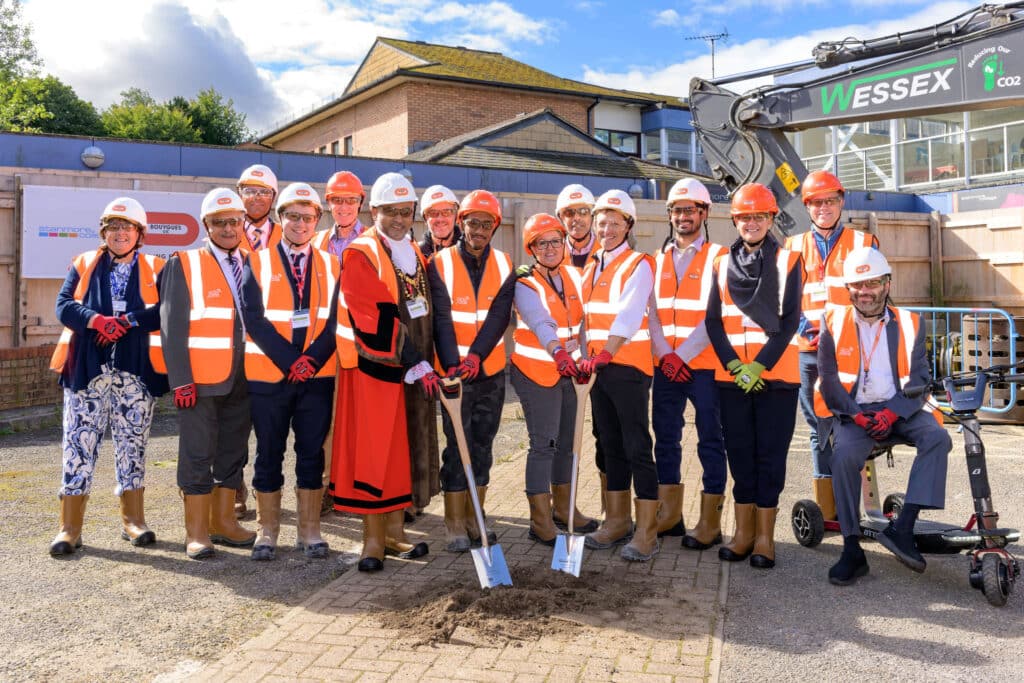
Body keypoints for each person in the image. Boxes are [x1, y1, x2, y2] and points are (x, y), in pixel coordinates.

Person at [329, 172, 449, 572]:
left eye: (405, 211)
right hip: (375, 370)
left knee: (405, 451)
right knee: (375, 455)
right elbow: (371, 315)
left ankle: (396, 533)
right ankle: (372, 541)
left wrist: (424, 362)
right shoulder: (360, 252)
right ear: (373, 211)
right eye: (390, 211)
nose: (399, 218)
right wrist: (414, 360)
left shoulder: (413, 250)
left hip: (412, 370)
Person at [818, 247, 951, 585]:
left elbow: (919, 380)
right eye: (858, 285)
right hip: (854, 412)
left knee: (937, 437)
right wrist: (858, 418)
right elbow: (829, 381)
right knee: (844, 456)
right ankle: (851, 548)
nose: (865, 292)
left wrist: (892, 413)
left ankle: (902, 527)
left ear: (887, 284)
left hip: (899, 408)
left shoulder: (911, 324)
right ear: (848, 289)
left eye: (873, 283)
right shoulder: (831, 321)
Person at [48, 197, 168, 556]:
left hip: (135, 374)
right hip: (87, 372)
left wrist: (127, 321)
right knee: (78, 445)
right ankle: (69, 528)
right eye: (113, 226)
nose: (120, 233)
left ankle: (133, 521)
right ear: (104, 231)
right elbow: (63, 305)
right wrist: (97, 321)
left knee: (133, 445)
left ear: (139, 233)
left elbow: (165, 310)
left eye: (127, 227)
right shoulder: (84, 263)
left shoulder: (156, 267)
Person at [705, 183, 802, 570]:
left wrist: (758, 367)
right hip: (732, 379)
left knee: (770, 457)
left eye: (759, 216)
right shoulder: (720, 264)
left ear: (771, 219)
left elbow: (790, 320)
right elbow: (713, 322)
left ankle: (765, 538)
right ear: (735, 219)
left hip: (775, 378)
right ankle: (743, 534)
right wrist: (735, 367)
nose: (752, 223)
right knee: (740, 455)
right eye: (745, 216)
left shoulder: (789, 261)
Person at [241, 183, 339, 561]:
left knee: (311, 452)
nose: (300, 223)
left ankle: (309, 529)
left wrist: (310, 361)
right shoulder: (257, 261)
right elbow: (254, 318)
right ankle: (268, 531)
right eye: (293, 216)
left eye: (308, 217)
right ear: (280, 219)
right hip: (269, 376)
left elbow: (336, 322)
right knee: (268, 451)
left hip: (317, 377)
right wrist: (289, 360)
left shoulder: (332, 264)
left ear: (317, 221)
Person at [161, 188, 257, 559]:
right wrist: (181, 379)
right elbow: (171, 327)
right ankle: (197, 531)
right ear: (206, 225)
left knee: (233, 451)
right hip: (199, 380)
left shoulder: (254, 261)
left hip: (245, 376)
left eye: (234, 220)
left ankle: (224, 523)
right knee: (197, 453)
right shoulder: (182, 263)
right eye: (220, 222)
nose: (229, 228)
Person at [786, 170, 878, 521]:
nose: (823, 207)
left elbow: (876, 295)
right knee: (818, 427)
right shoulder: (793, 246)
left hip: (851, 352)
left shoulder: (863, 243)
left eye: (830, 201)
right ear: (807, 206)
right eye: (816, 202)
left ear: (841, 202)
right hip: (809, 353)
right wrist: (800, 327)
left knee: (853, 423)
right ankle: (828, 510)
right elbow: (787, 299)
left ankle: (852, 504)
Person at [579, 189, 660, 562]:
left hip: (627, 367)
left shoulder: (639, 264)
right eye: (602, 222)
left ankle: (647, 532)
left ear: (629, 226)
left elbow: (627, 315)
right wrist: (586, 357)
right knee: (607, 444)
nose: (607, 228)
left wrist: (605, 354)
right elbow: (585, 318)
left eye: (615, 222)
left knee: (636, 445)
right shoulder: (593, 264)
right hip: (599, 368)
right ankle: (616, 520)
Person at [431, 189, 514, 552]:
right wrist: (453, 363)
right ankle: (453, 523)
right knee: (456, 444)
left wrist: (477, 356)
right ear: (460, 223)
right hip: (452, 372)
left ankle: (474, 517)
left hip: (490, 371)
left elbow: (500, 315)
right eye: (472, 222)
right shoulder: (439, 263)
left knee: (482, 444)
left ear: (494, 226)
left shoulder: (506, 264)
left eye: (486, 223)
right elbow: (441, 317)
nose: (478, 229)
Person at [648, 178, 729, 548]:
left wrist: (682, 355)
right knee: (665, 439)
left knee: (711, 440)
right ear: (670, 215)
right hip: (666, 366)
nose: (683, 216)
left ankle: (709, 524)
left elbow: (717, 314)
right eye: (677, 210)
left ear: (704, 213)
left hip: (706, 366)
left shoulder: (719, 258)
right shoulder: (658, 259)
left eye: (690, 210)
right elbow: (652, 314)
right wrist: (667, 355)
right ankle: (669, 518)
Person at [509, 213, 599, 545]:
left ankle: (565, 508)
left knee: (568, 444)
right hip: (537, 372)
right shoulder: (524, 283)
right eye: (541, 243)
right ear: (531, 248)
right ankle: (541, 520)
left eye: (555, 241)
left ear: (564, 243)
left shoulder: (575, 277)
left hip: (571, 373)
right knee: (543, 445)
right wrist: (558, 352)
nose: (549, 248)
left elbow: (584, 322)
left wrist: (584, 357)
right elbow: (539, 320)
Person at [235, 163, 282, 517]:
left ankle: (266, 489)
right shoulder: (223, 229)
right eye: (250, 190)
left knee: (271, 428)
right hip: (233, 344)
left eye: (263, 191)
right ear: (240, 194)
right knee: (235, 423)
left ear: (273, 198)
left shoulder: (289, 233)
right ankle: (234, 489)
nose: (256, 197)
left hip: (275, 347)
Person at [311, 171, 366, 259]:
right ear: (328, 204)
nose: (344, 207)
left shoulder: (376, 241)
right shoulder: (315, 242)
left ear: (360, 204)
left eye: (351, 200)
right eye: (337, 200)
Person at [556, 183, 597, 269]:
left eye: (583, 211)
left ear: (592, 215)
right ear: (561, 217)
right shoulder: (553, 254)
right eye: (569, 213)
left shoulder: (608, 252)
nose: (577, 218)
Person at [418, 184, 462, 259]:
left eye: (446, 212)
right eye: (433, 213)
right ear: (425, 218)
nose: (440, 219)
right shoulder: (416, 255)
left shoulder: (470, 253)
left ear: (456, 215)